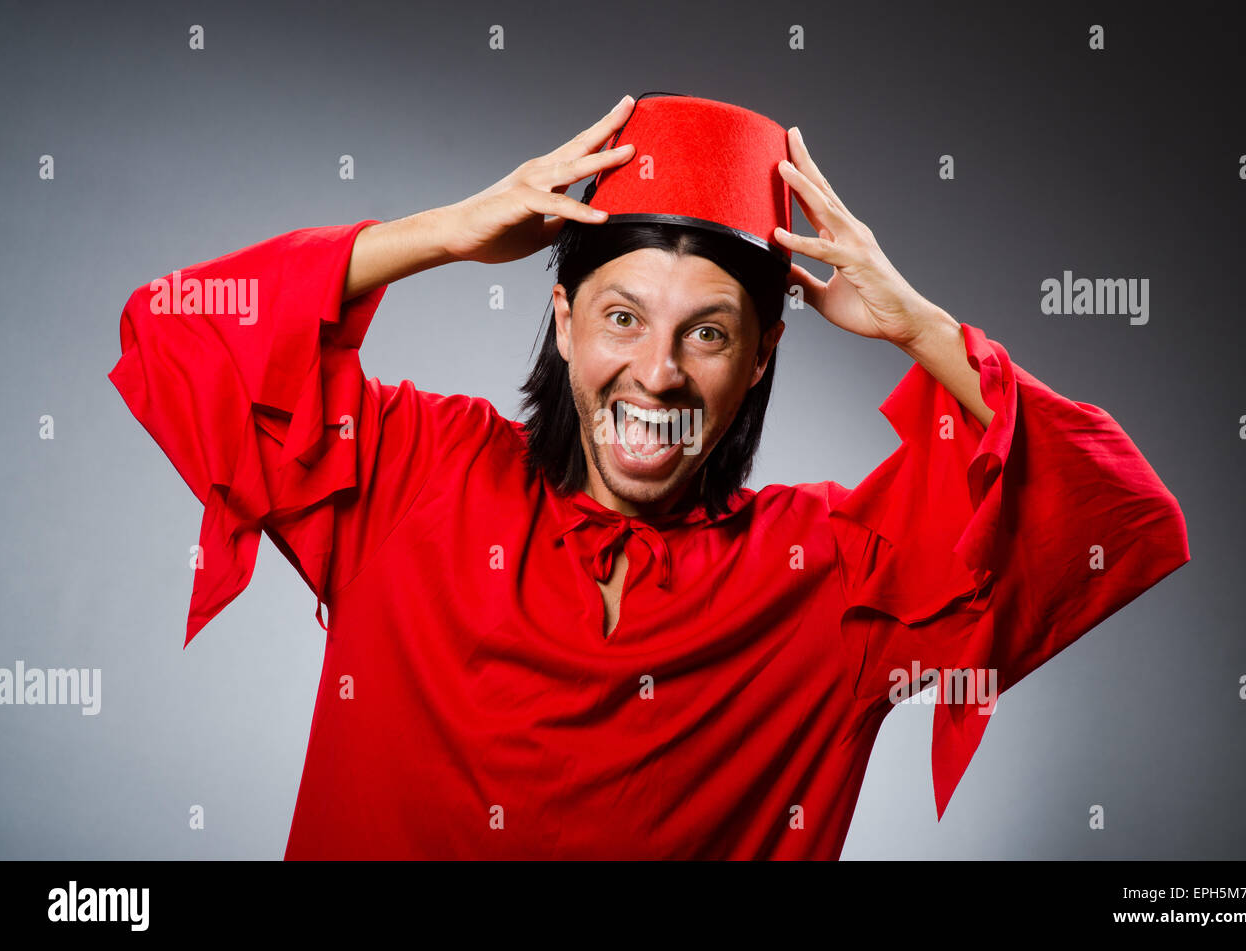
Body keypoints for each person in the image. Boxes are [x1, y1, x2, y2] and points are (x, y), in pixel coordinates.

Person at [108, 93, 1190, 859]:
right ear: (565, 321)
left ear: (762, 353)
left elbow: (1119, 514)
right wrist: (441, 233)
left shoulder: (829, 577)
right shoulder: (412, 474)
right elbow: (174, 331)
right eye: (621, 317)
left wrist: (918, 324)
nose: (657, 372)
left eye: (708, 333)